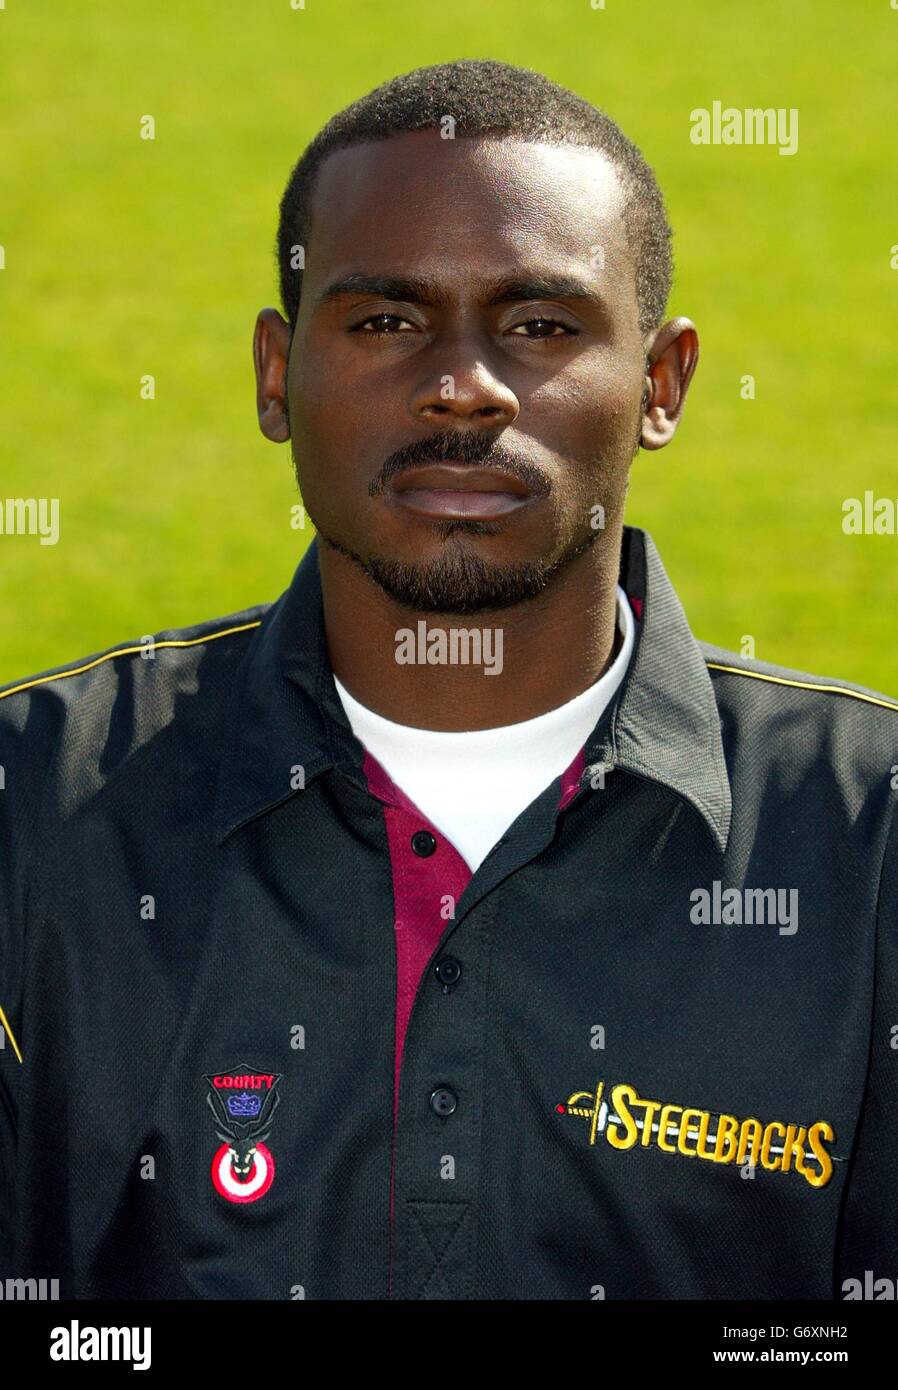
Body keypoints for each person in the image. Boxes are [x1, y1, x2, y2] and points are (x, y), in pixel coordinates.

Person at [1, 59, 895, 1301]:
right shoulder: (29, 803)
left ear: (661, 383)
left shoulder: (872, 831)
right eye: (382, 320)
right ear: (276, 373)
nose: (461, 384)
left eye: (538, 325)